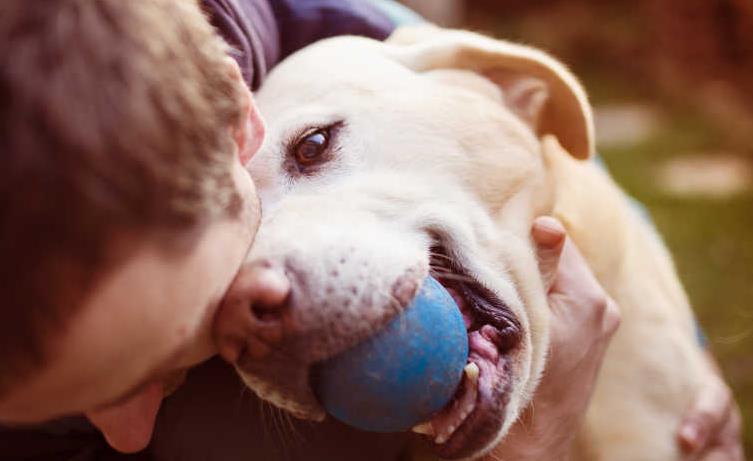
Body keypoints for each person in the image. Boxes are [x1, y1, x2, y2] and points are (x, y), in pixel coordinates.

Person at [0, 0, 741, 460]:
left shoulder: (353, 37)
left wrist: (679, 350)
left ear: (236, 117)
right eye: (189, 357)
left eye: (314, 148)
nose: (267, 284)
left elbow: (528, 143)